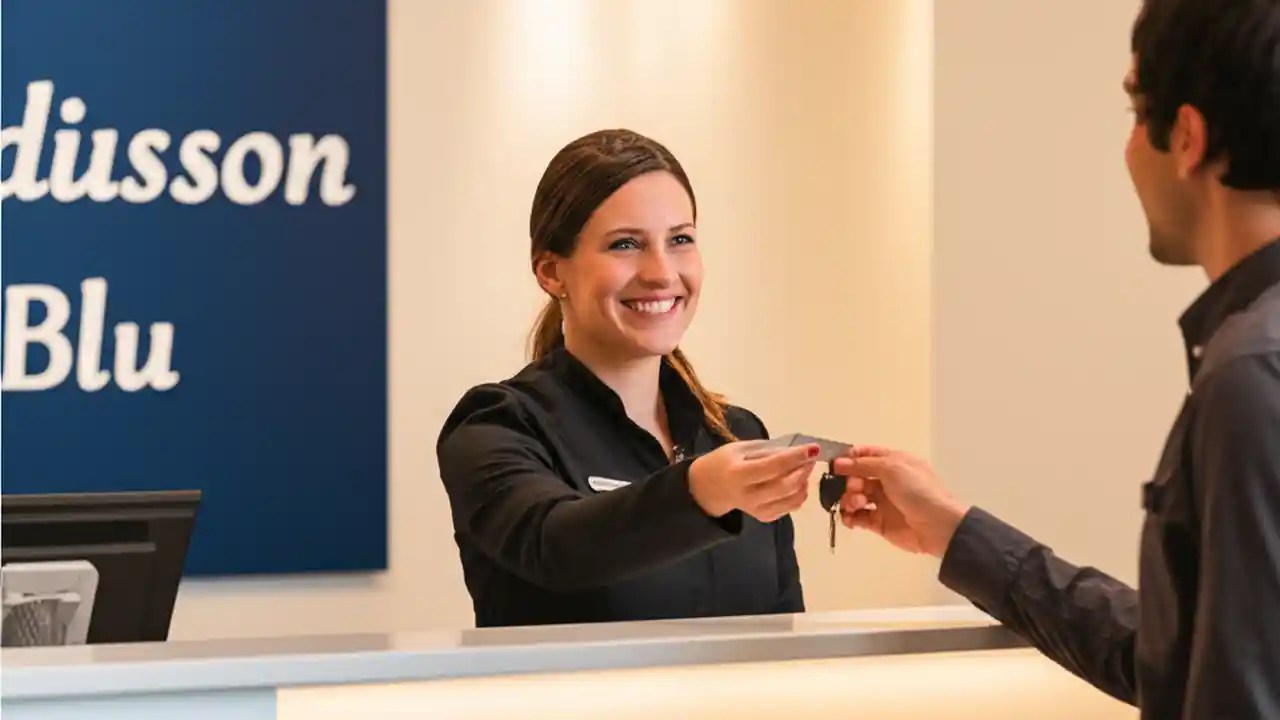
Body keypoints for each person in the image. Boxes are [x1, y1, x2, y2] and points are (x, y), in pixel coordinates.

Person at [834, 0, 1280, 717]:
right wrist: (953, 531)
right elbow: (1179, 656)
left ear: (1187, 137)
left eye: (1137, 112)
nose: (1130, 148)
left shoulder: (1250, 375)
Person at [436, 128, 819, 628]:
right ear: (552, 272)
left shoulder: (737, 435)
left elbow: (783, 639)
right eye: (625, 245)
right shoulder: (498, 425)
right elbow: (554, 546)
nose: (662, 272)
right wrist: (700, 492)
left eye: (680, 240)